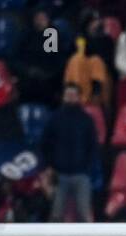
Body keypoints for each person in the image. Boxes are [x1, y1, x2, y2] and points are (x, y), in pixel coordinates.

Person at [41, 83, 100, 223]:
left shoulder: (86, 120)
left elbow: (93, 145)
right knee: (56, 213)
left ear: (79, 97)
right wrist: (50, 166)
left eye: (73, 95)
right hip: (59, 174)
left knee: (84, 213)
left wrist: (87, 168)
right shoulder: (54, 119)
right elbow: (45, 144)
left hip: (81, 174)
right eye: (68, 95)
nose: (70, 97)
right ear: (63, 97)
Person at [13, 8, 71, 106]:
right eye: (38, 18)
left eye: (43, 18)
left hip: (48, 80)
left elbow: (58, 61)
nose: (40, 21)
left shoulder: (52, 35)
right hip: (28, 79)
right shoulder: (26, 34)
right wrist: (29, 71)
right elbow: (16, 59)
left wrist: (47, 74)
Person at [63, 33, 112, 108]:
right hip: (76, 101)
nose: (80, 46)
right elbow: (68, 83)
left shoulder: (96, 60)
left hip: (91, 102)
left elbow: (97, 85)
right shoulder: (72, 60)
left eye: (82, 43)